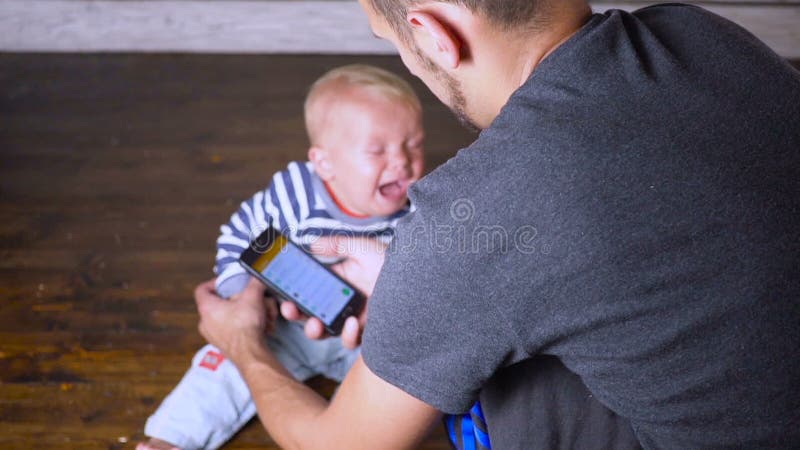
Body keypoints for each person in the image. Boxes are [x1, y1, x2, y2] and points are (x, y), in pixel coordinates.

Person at [193, 0, 800, 448]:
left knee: (494, 383)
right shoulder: (699, 32)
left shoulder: (475, 213)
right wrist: (426, 287)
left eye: (394, 39)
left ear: (432, 33)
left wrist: (243, 342)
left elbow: (338, 444)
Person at [137, 63, 425, 450]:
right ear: (324, 163)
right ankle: (169, 441)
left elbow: (429, 280)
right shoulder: (294, 195)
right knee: (221, 365)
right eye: (378, 150)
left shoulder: (421, 209)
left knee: (407, 389)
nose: (403, 162)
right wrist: (243, 293)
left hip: (367, 337)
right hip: (286, 327)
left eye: (415, 144)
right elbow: (240, 236)